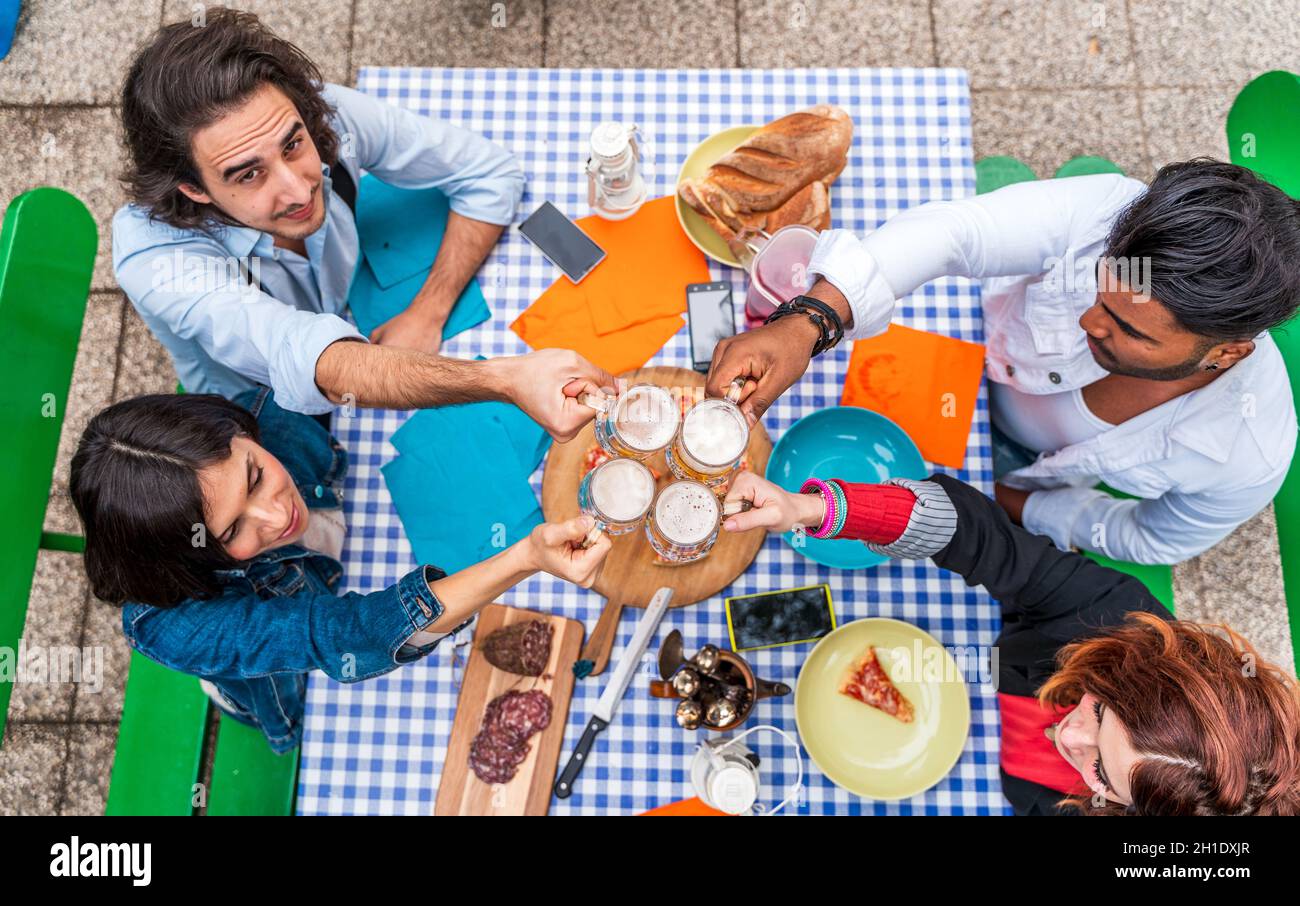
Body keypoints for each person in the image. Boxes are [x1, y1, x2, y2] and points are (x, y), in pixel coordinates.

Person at [708, 161, 1300, 564]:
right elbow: (956, 232)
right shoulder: (1111, 211)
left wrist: (1005, 503)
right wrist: (809, 319)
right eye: (1098, 293)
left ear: (1227, 352)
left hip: (1023, 473)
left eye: (1128, 331)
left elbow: (1150, 538)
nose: (1090, 323)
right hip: (960, 353)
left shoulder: (1249, 457)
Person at [113, 8, 608, 441]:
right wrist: (504, 379)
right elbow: (306, 356)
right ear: (193, 189)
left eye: (292, 145)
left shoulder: (322, 113)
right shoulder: (156, 260)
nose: (299, 188)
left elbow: (490, 172)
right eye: (249, 174)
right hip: (259, 407)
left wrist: (429, 311)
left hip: (366, 322)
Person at [721, 470, 1300, 814]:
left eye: (1101, 772)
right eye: (1099, 709)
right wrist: (813, 508)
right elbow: (979, 537)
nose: (1065, 732)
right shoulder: (1120, 624)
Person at [70, 389, 612, 753]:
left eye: (256, 476)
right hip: (287, 684)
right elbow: (340, 635)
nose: (278, 515)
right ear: (190, 558)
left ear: (237, 428)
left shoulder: (264, 408)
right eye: (232, 531)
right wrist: (525, 557)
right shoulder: (178, 626)